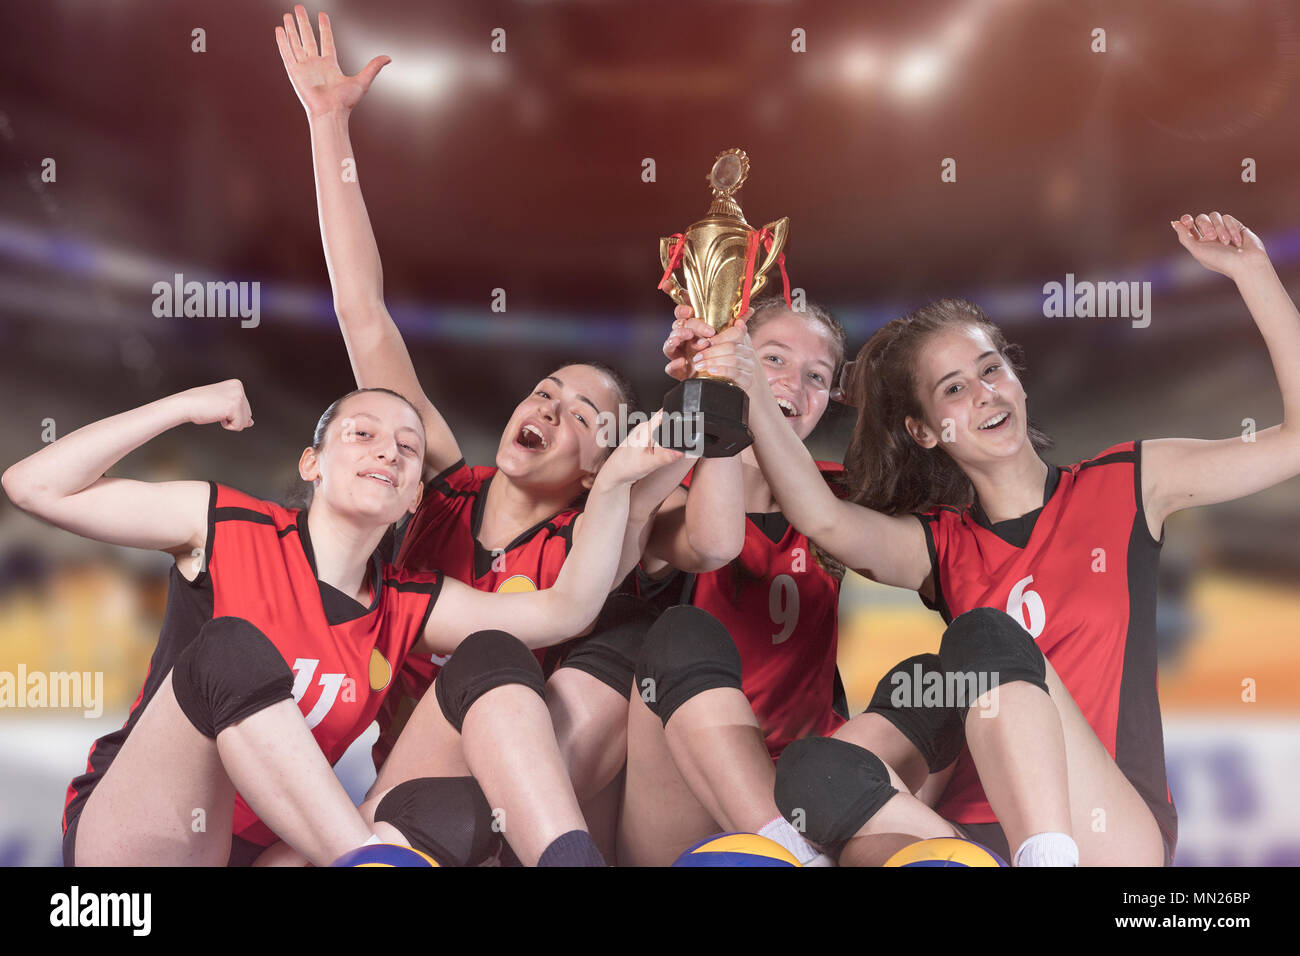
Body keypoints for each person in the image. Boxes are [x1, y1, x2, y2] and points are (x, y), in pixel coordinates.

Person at [273, 5, 738, 863]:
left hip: (526, 803)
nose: (550, 410)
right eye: (546, 392)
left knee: (550, 664)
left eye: (582, 416)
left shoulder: (613, 523)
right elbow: (361, 309)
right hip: (410, 791)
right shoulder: (433, 481)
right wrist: (328, 125)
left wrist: (711, 359)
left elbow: (704, 512)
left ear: (606, 457)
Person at [735, 211, 1296, 866]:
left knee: (985, 635)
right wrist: (746, 382)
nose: (983, 394)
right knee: (813, 765)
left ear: (1018, 380)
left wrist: (1253, 272)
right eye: (953, 389)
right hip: (968, 833)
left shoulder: (1130, 482)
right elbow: (825, 520)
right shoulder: (940, 545)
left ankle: (1039, 855)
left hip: (1104, 830)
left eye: (991, 369)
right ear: (923, 431)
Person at [1, 379, 679, 866]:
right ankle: (367, 857)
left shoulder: (409, 600)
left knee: (491, 661)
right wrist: (185, 405)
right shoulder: (227, 525)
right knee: (230, 647)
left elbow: (567, 609)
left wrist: (618, 486)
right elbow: (33, 486)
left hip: (278, 847)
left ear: (415, 494)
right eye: (362, 434)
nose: (387, 451)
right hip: (146, 839)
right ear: (313, 463)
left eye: (407, 449)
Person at [617, 295, 853, 866]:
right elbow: (710, 543)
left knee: (934, 678)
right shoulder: (669, 488)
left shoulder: (843, 495)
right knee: (682, 628)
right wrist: (712, 391)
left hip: (803, 774)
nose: (793, 386)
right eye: (770, 358)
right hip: (688, 781)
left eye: (817, 376)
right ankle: (785, 846)